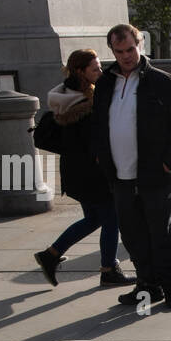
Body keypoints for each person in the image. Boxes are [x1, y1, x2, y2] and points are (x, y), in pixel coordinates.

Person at [91, 23, 171, 310]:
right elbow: (98, 124)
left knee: (161, 231)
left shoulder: (161, 81)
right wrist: (100, 156)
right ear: (112, 50)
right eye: (119, 51)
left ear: (140, 46)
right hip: (119, 174)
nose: (126, 56)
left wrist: (170, 161)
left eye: (130, 49)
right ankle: (147, 285)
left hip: (154, 172)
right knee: (133, 233)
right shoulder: (106, 83)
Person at [34, 49, 135, 288]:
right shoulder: (86, 102)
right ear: (81, 71)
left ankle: (51, 255)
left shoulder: (65, 95)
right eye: (95, 68)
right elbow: (95, 141)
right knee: (111, 218)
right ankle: (109, 269)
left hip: (75, 171)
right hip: (91, 173)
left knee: (93, 219)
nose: (100, 71)